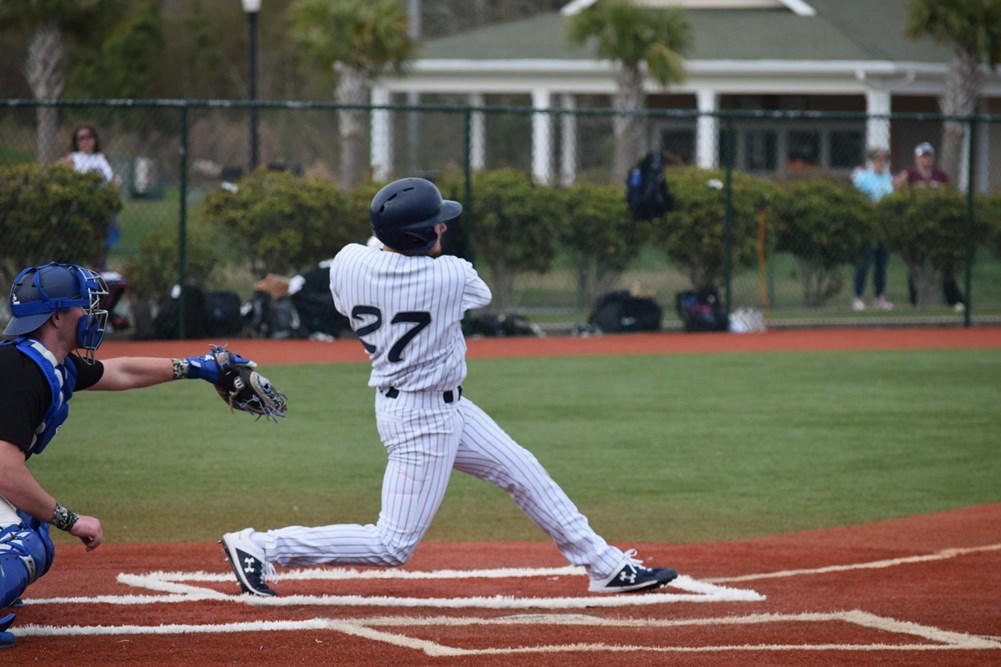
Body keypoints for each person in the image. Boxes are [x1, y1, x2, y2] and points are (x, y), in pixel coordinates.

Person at [220, 178, 678, 598]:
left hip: (438, 405)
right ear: (419, 237)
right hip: (421, 419)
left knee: (523, 470)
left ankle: (605, 566)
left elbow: (365, 266)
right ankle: (262, 546)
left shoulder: (348, 263)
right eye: (435, 224)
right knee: (392, 544)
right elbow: (481, 294)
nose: (443, 227)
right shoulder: (451, 275)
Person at [0, 262, 259, 648]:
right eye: (82, 306)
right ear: (57, 317)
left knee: (34, 524)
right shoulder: (22, 372)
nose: (92, 314)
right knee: (25, 545)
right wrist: (71, 520)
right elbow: (5, 469)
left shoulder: (45, 362)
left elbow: (119, 372)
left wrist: (199, 368)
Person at [893, 142, 965, 311]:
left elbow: (950, 195)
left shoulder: (940, 176)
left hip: (938, 228)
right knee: (916, 264)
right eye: (923, 156)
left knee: (943, 263)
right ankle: (915, 300)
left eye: (928, 156)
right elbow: (896, 192)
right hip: (916, 227)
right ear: (916, 158)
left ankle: (953, 298)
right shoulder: (909, 174)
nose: (926, 159)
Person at [58, 125, 120, 264]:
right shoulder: (73, 159)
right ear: (76, 142)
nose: (86, 141)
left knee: (101, 249)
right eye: (81, 138)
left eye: (89, 137)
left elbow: (111, 180)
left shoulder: (101, 159)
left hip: (101, 210)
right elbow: (57, 176)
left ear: (95, 139)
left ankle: (97, 276)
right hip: (81, 210)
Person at [850, 147, 894, 312]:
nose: (880, 163)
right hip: (868, 226)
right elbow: (857, 199)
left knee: (881, 264)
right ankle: (858, 297)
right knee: (864, 262)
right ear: (872, 162)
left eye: (883, 160)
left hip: (884, 226)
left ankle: (879, 298)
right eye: (877, 160)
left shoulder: (889, 179)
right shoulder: (863, 179)